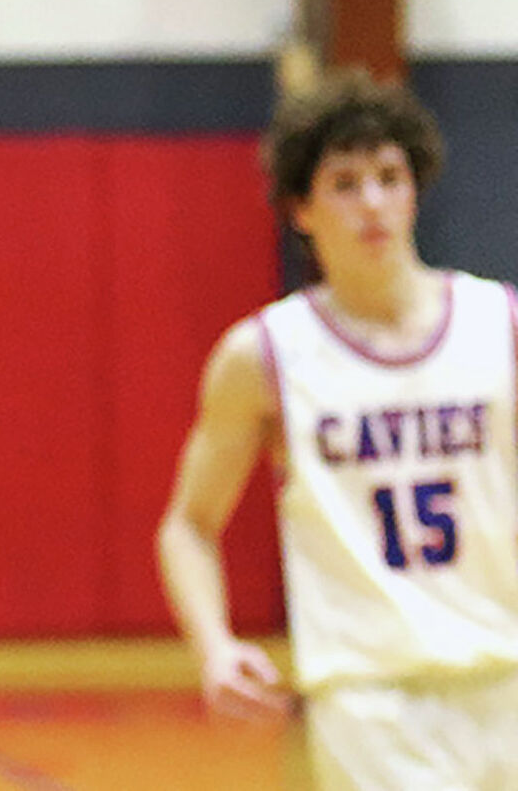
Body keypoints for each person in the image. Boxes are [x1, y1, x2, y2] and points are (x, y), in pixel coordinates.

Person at [157, 67, 518, 790]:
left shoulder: (498, 322)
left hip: (506, 675)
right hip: (369, 700)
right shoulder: (264, 355)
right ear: (302, 208)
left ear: (417, 188)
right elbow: (188, 525)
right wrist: (215, 647)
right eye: (346, 183)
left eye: (389, 176)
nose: (373, 203)